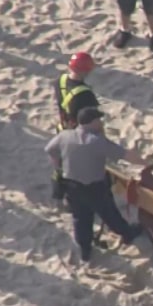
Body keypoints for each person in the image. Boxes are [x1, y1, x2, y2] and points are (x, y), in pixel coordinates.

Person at [44, 108, 146, 262]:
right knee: (109, 213)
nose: (101, 123)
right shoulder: (97, 141)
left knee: (81, 219)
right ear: (92, 122)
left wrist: (58, 164)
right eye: (98, 120)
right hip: (95, 188)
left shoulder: (64, 135)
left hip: (72, 187)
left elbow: (50, 149)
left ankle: (85, 250)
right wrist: (146, 164)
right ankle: (127, 233)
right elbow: (125, 155)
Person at [52, 51, 101, 203]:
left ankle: (58, 193)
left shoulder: (59, 81)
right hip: (78, 136)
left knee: (61, 165)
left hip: (63, 129)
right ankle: (74, 199)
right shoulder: (85, 95)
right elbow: (93, 121)